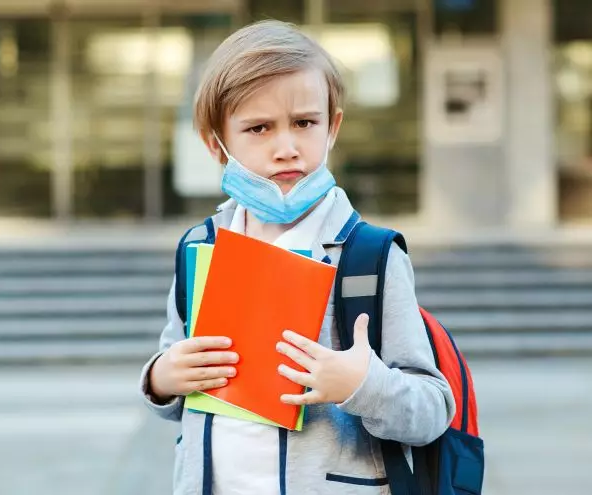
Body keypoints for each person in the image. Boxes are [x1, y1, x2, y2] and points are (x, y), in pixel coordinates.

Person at [140, 19, 455, 495]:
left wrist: (362, 384)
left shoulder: (368, 257)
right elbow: (176, 371)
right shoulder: (200, 248)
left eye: (304, 123)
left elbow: (432, 409)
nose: (286, 148)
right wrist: (162, 378)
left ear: (333, 127)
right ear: (215, 144)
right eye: (258, 128)